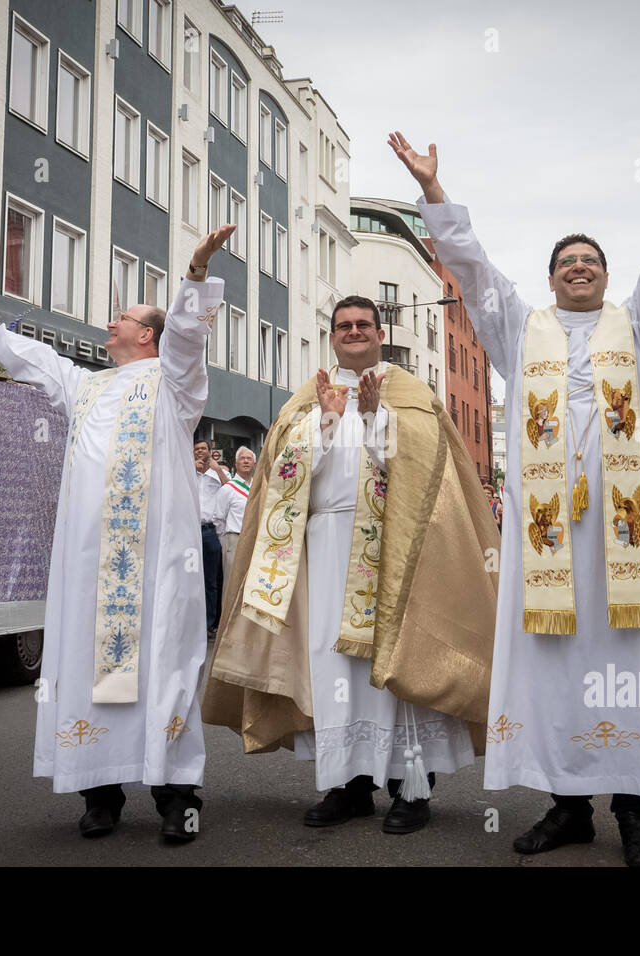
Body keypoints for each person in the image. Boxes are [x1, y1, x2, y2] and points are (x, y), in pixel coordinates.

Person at [389, 107, 640, 866]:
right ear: (552, 277)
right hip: (549, 546)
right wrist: (434, 191)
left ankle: (635, 814)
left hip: (627, 546)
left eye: (591, 259)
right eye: (567, 261)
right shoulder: (518, 331)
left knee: (629, 669)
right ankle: (567, 807)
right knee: (556, 669)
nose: (580, 268)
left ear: (604, 272)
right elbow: (472, 269)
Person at [0, 224, 234, 842]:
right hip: (88, 560)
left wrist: (195, 271)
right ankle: (99, 792)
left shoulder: (175, 384)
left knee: (163, 666)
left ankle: (176, 796)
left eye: (123, 317)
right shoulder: (89, 386)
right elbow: (42, 363)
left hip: (157, 558)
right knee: (88, 666)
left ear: (148, 334)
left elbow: (188, 337)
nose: (111, 323)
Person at [203, 295, 498, 836]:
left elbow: (427, 478)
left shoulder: (410, 395)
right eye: (345, 326)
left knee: (398, 659)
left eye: (364, 324)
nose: (355, 331)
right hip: (324, 543)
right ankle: (348, 785)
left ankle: (412, 787)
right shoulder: (306, 401)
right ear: (332, 335)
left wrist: (375, 420)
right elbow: (281, 477)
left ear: (380, 334)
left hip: (396, 549)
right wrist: (330, 424)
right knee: (331, 665)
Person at [194, 438, 229, 639]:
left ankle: (209, 624)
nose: (200, 451)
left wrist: (218, 470)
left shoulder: (216, 473)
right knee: (189, 576)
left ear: (210, 450)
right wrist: (191, 469)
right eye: (197, 448)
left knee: (211, 580)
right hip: (189, 531)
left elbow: (231, 489)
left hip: (209, 533)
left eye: (203, 448)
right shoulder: (186, 470)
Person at [214, 446, 256, 582]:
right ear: (236, 463)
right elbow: (218, 518)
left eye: (249, 459)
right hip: (234, 539)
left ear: (254, 464)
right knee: (232, 582)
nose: (246, 461)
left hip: (255, 541)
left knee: (253, 582)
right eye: (242, 458)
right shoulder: (228, 489)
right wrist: (226, 541)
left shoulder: (259, 487)